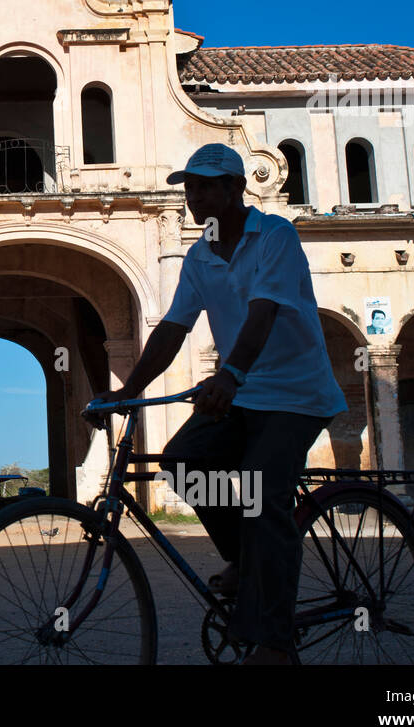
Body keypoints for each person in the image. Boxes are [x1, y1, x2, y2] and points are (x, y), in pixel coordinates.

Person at [87, 143, 346, 665]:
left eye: (206, 186)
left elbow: (264, 312)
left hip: (296, 394)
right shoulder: (200, 256)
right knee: (182, 461)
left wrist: (229, 373)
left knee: (262, 493)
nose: (195, 197)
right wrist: (126, 391)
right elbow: (172, 330)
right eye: (189, 188)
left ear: (234, 189)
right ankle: (246, 558)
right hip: (245, 391)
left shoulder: (276, 236)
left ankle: (275, 644)